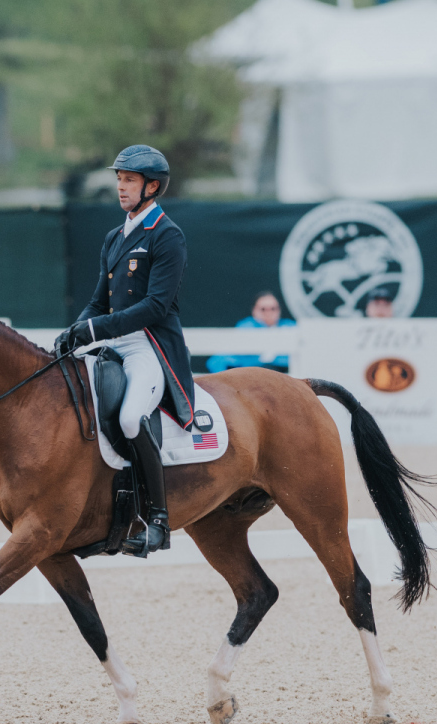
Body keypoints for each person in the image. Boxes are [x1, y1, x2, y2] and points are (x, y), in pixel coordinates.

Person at [55, 144, 191, 557]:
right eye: (119, 179)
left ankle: (158, 521)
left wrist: (95, 328)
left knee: (132, 418)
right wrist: (76, 329)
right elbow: (99, 301)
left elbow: (155, 306)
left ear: (152, 186)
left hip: (149, 346)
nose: (121, 187)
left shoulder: (167, 236)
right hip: (112, 343)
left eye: (129, 180)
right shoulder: (115, 237)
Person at [206, 291, 296, 373]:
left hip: (285, 376)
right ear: (254, 310)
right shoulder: (245, 327)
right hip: (251, 376)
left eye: (273, 308)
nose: (268, 312)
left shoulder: (290, 326)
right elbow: (217, 361)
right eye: (263, 309)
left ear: (279, 310)